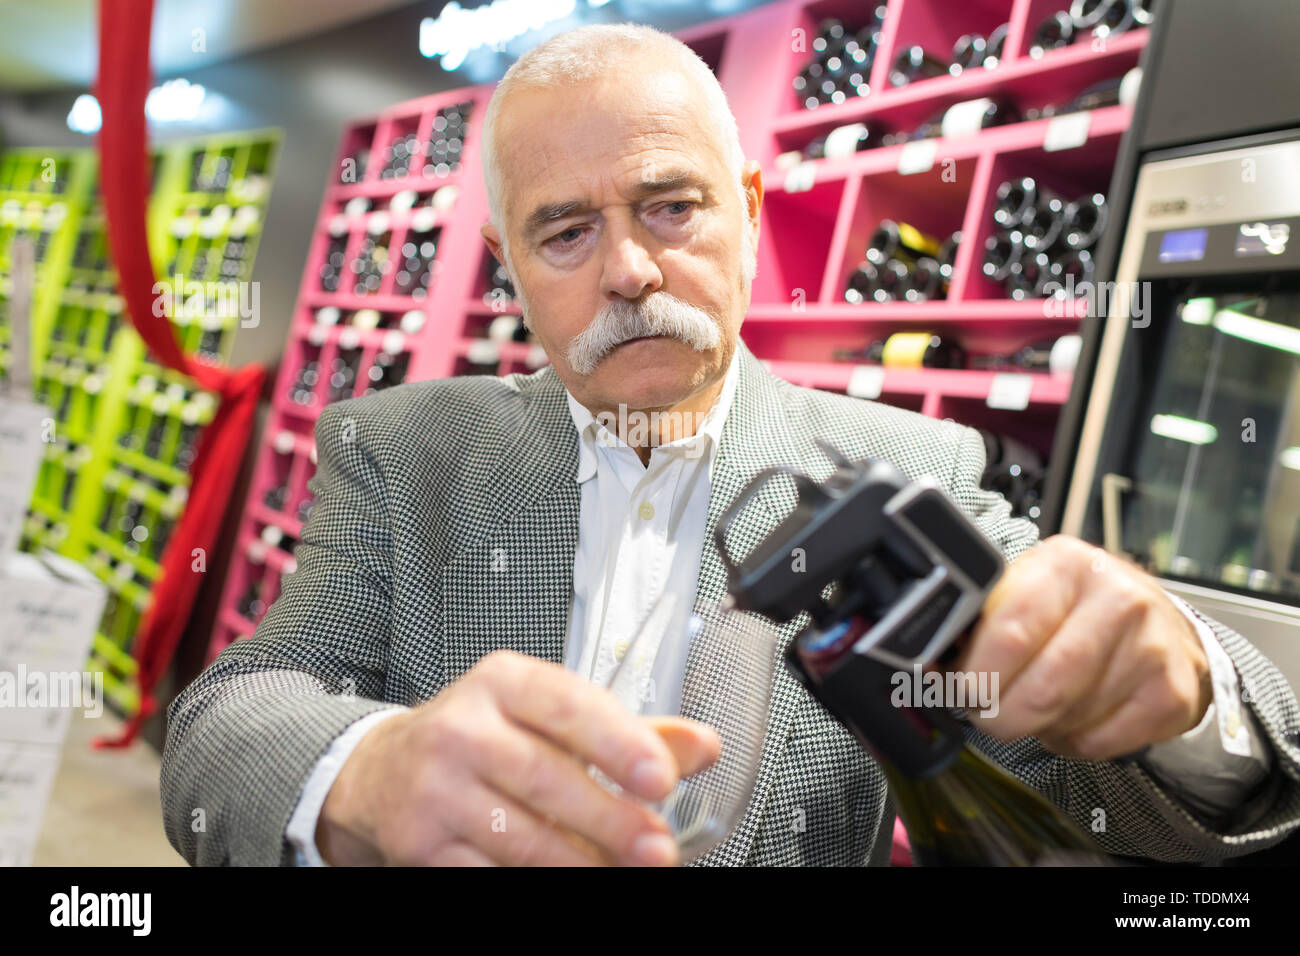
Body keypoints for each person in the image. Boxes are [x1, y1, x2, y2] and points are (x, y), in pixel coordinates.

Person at [161, 23, 1300, 866]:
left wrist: (1184, 694)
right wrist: (366, 770)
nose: (629, 270)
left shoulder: (908, 467)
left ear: (750, 214)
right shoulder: (401, 450)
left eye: (670, 207)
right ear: (507, 269)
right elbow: (238, 708)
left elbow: (1103, 789)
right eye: (566, 231)